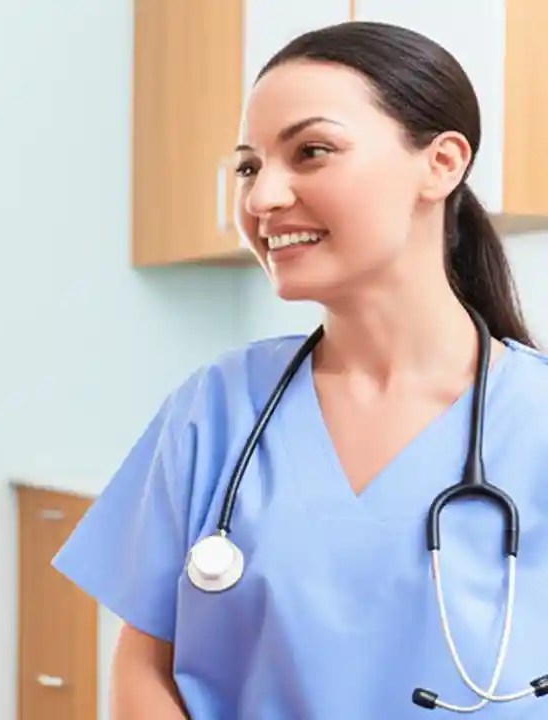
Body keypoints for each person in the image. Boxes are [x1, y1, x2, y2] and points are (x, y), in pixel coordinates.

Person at [54, 20, 548, 720]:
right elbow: (146, 666)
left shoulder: (536, 421)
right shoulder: (217, 409)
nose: (261, 199)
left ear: (441, 163)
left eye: (311, 152)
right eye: (250, 166)